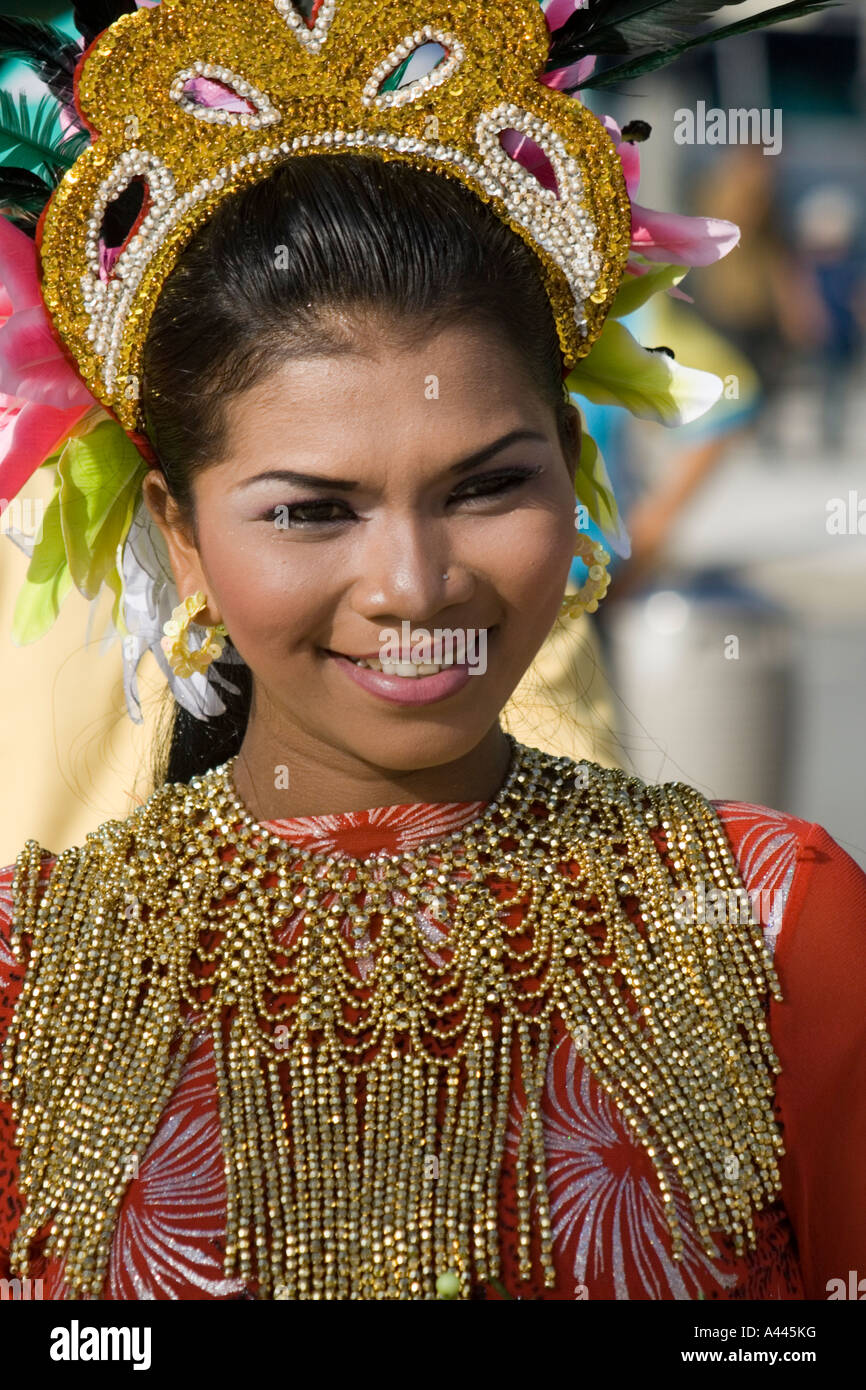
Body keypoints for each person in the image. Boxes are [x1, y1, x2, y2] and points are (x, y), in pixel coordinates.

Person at [1, 0, 862, 1303]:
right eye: (310, 509)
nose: (413, 585)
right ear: (180, 533)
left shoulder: (772, 920)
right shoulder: (30, 978)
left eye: (482, 487)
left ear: (574, 474)